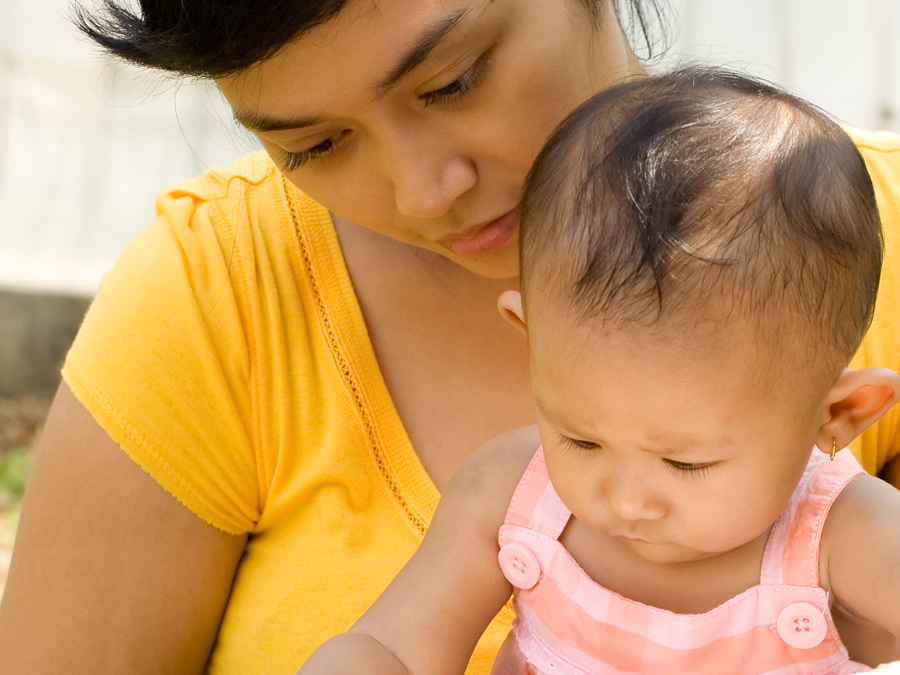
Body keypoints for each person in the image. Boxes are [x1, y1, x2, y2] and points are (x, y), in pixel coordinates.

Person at [0, 1, 898, 674]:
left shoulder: (841, 269)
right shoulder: (218, 295)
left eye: (454, 80)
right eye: (314, 144)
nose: (425, 190)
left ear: (841, 409)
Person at [296, 69, 900, 675]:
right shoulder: (511, 494)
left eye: (686, 463)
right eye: (581, 440)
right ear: (531, 341)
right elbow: (393, 649)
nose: (628, 501)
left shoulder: (846, 534)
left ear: (837, 415)